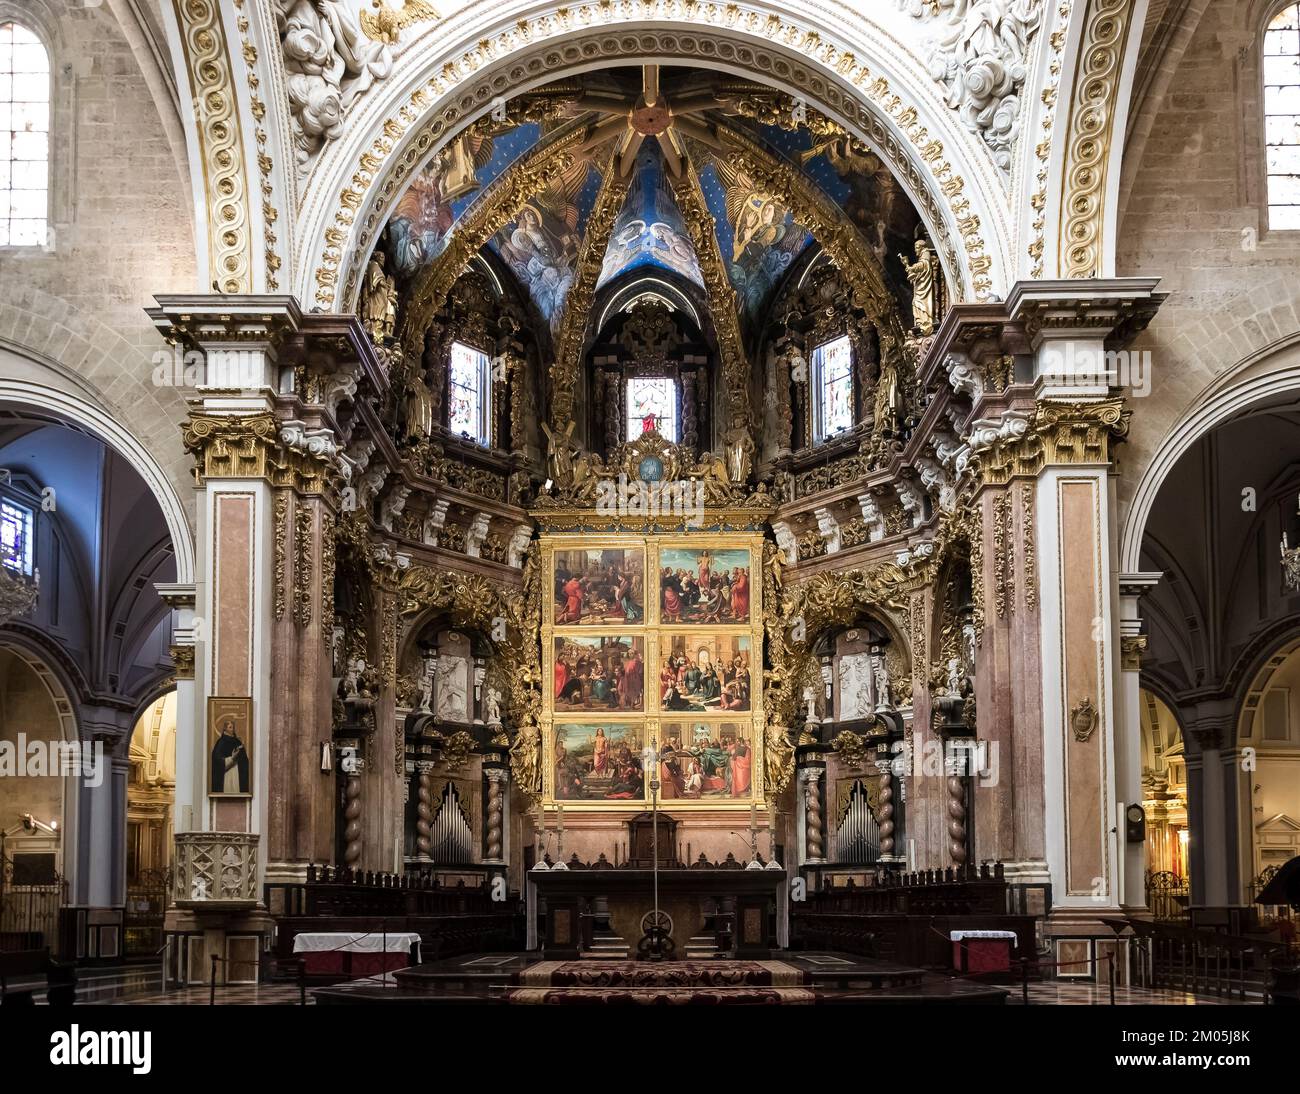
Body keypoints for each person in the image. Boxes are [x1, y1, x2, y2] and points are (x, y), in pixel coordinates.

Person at [211, 718, 249, 794]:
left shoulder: (237, 741)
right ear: (225, 729)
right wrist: (231, 758)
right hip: (227, 774)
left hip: (237, 772)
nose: (232, 729)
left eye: (233, 727)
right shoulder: (221, 742)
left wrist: (240, 754)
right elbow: (216, 759)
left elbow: (244, 760)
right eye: (230, 727)